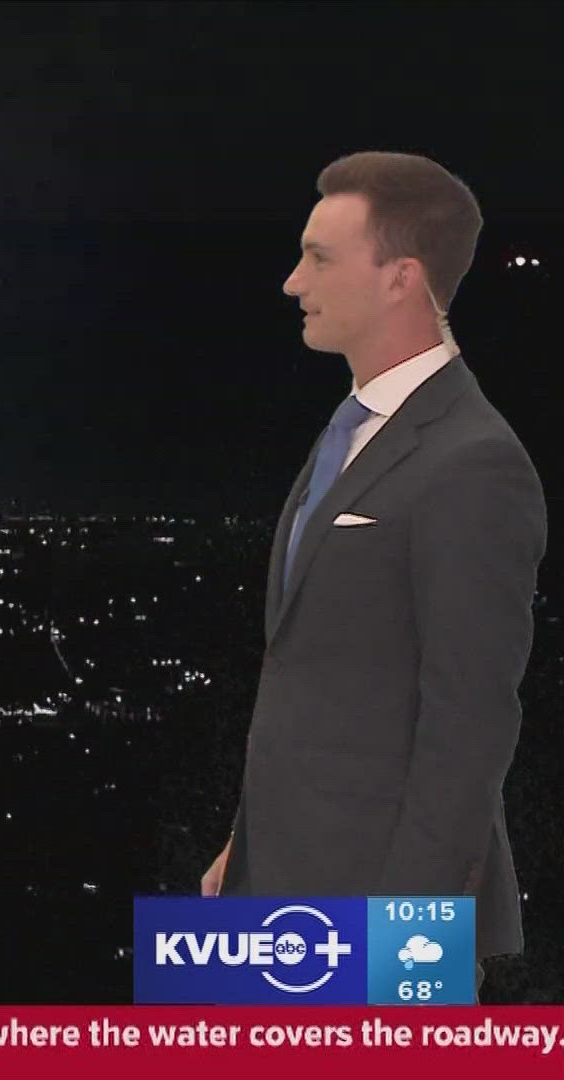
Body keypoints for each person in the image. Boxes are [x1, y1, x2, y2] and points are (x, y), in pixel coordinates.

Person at [200, 151, 547, 1001]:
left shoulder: (474, 462)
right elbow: (317, 673)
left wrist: (401, 945)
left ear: (401, 279)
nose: (292, 282)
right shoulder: (351, 432)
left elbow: (469, 723)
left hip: (377, 920)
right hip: (279, 894)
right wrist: (248, 848)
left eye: (319, 258)